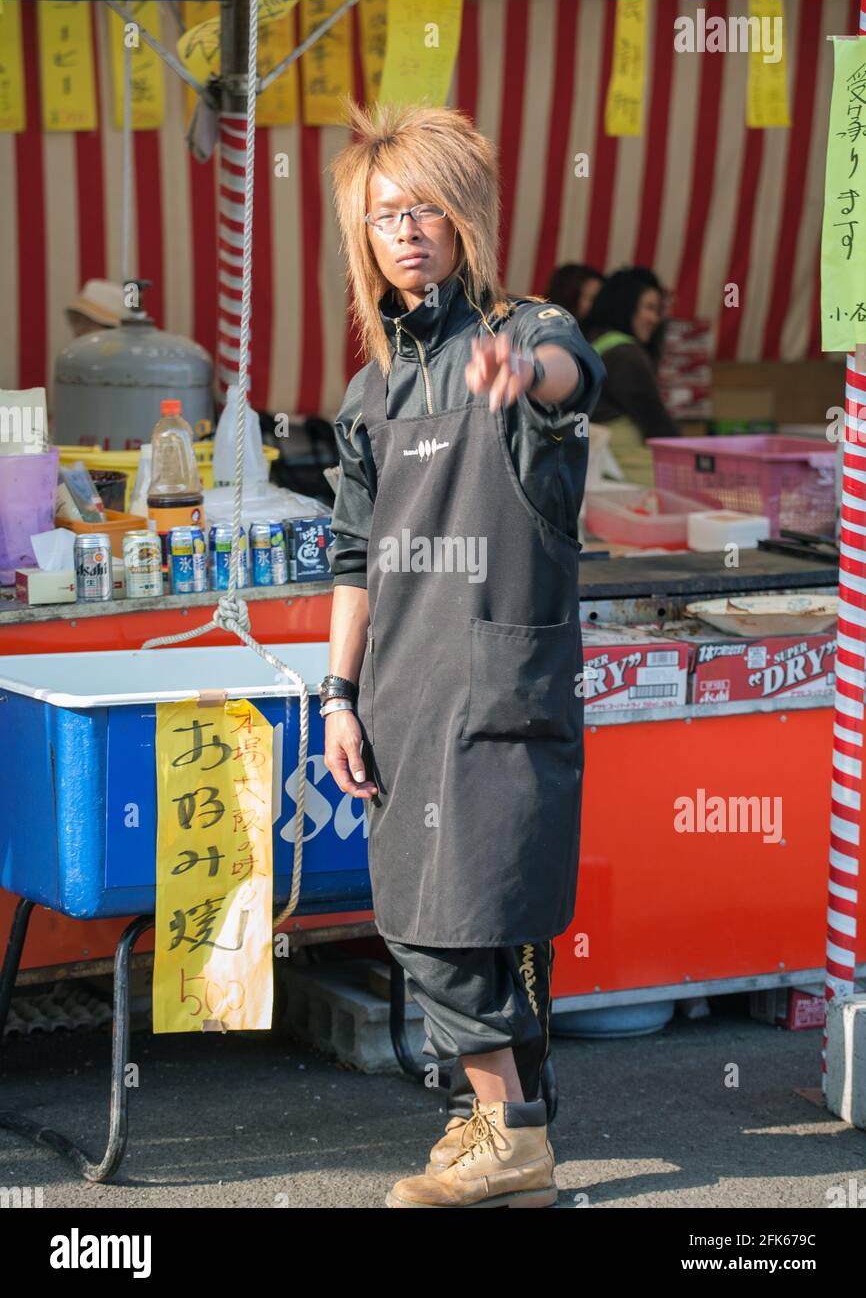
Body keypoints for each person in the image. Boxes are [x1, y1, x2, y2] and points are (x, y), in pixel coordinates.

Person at [323, 100, 606, 1209]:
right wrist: (337, 694)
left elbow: (568, 379)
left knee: (464, 916)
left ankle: (509, 1131)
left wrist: (519, 377)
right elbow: (352, 556)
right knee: (439, 913)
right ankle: (503, 1136)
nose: (406, 230)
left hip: (501, 678)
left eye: (427, 207)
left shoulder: (528, 332)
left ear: (468, 218)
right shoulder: (369, 391)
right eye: (386, 213)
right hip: (398, 690)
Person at [583, 266, 679, 486]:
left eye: (657, 311)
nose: (654, 319)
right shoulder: (625, 354)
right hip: (623, 470)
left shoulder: (592, 340)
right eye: (649, 308)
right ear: (626, 305)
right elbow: (658, 425)